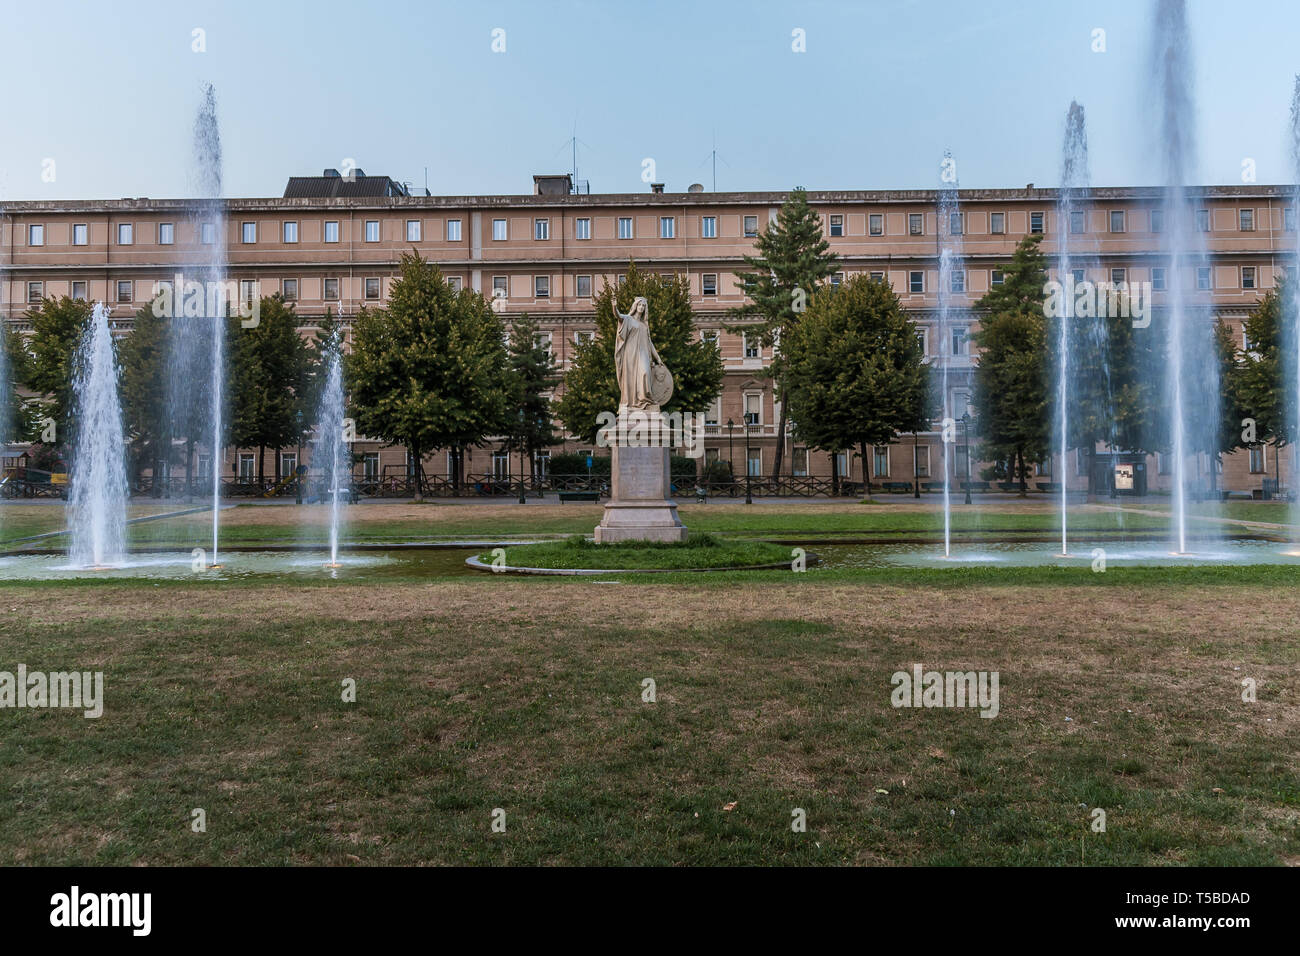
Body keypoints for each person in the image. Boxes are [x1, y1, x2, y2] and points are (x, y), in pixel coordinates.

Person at [613, 296, 665, 410]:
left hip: (643, 353)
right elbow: (618, 316)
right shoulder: (628, 319)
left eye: (643, 306)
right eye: (640, 305)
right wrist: (614, 306)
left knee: (645, 372)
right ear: (635, 306)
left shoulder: (644, 325)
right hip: (630, 353)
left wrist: (658, 358)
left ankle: (644, 399)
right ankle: (632, 402)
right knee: (630, 379)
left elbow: (649, 342)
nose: (641, 307)